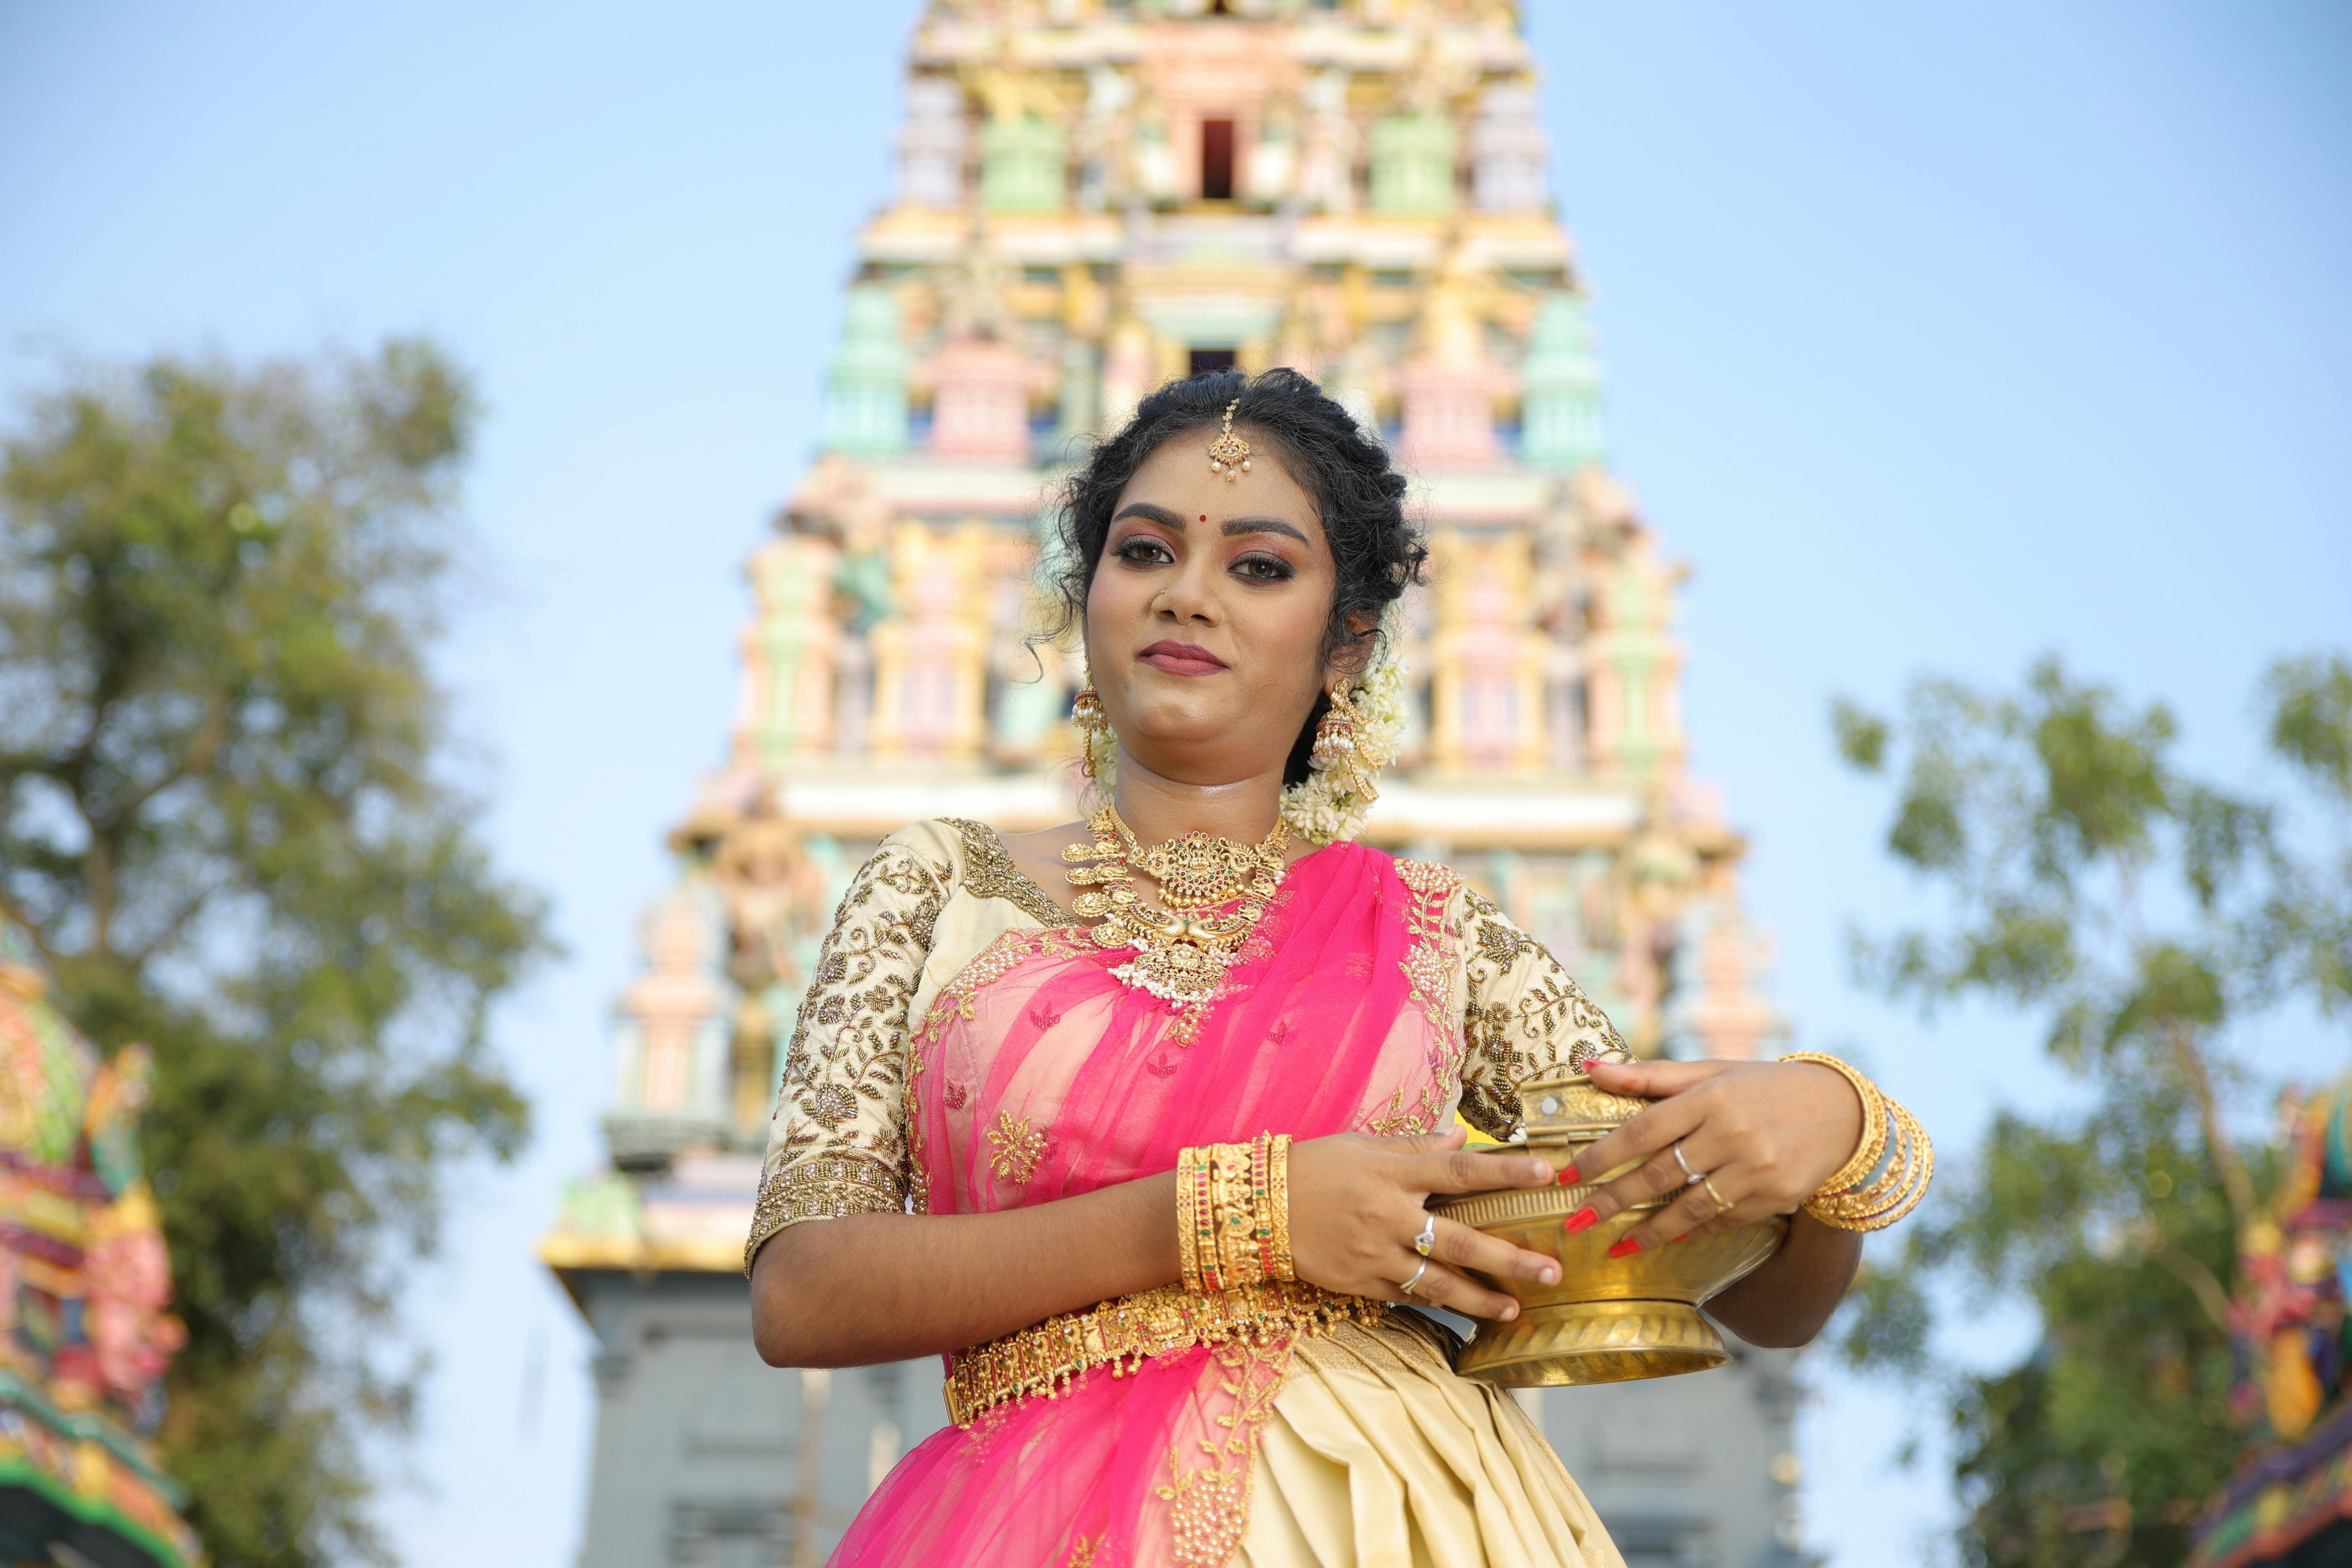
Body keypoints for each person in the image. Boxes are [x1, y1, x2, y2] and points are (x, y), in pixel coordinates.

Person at [747, 368, 1922, 1567]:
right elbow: (804, 1294)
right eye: (1145, 552)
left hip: (1397, 1513)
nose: (1188, 596)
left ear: (1347, 644)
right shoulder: (936, 886)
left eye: (1258, 567)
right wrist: (1242, 1215)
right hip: (1034, 1516)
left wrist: (1838, 1128)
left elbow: (1740, 1285)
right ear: (1086, 595)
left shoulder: (1432, 935)